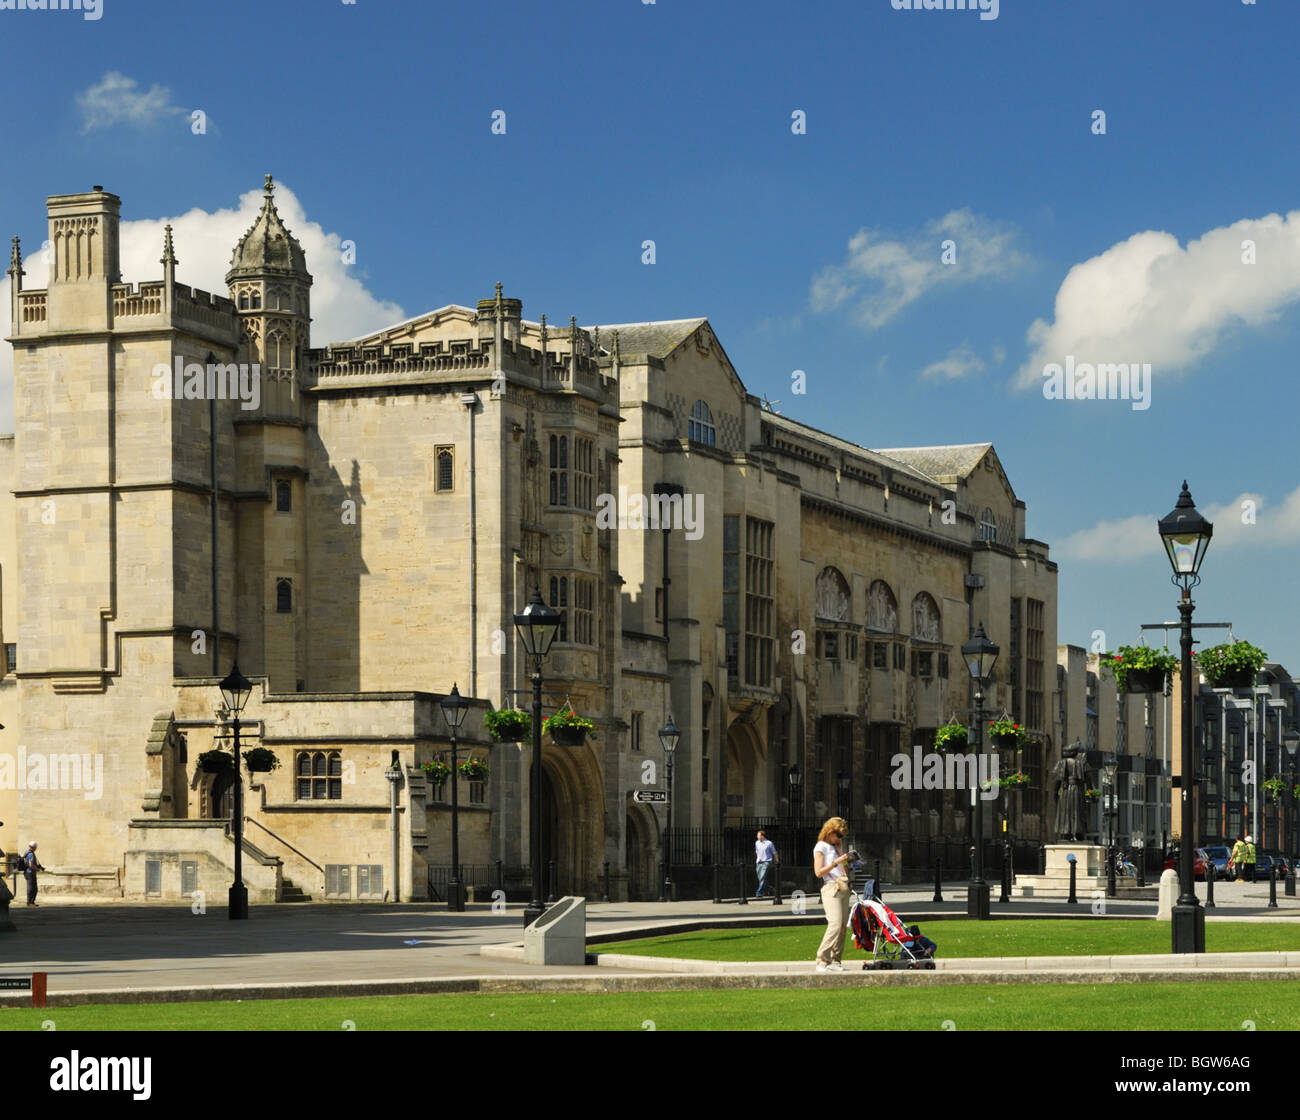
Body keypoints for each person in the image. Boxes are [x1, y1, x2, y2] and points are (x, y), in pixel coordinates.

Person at [812, 817, 854, 972]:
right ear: (829, 832)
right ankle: (822, 959)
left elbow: (843, 868)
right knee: (835, 924)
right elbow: (818, 872)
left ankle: (836, 961)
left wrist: (844, 857)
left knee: (843, 926)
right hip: (831, 888)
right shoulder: (820, 846)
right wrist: (836, 862)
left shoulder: (835, 846)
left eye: (842, 835)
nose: (839, 838)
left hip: (843, 886)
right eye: (838, 834)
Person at [754, 829, 779, 897]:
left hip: (767, 862)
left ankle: (759, 892)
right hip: (759, 862)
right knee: (761, 878)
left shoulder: (769, 843)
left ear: (762, 836)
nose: (757, 837)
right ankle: (770, 889)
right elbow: (756, 852)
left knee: (762, 877)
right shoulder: (757, 843)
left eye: (758, 835)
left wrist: (777, 861)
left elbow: (774, 853)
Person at [20, 841, 44, 907]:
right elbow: (31, 865)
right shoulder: (31, 854)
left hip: (27, 872)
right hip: (30, 873)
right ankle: (30, 902)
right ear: (35, 847)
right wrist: (37, 869)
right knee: (33, 888)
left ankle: (30, 902)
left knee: (31, 888)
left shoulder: (27, 852)